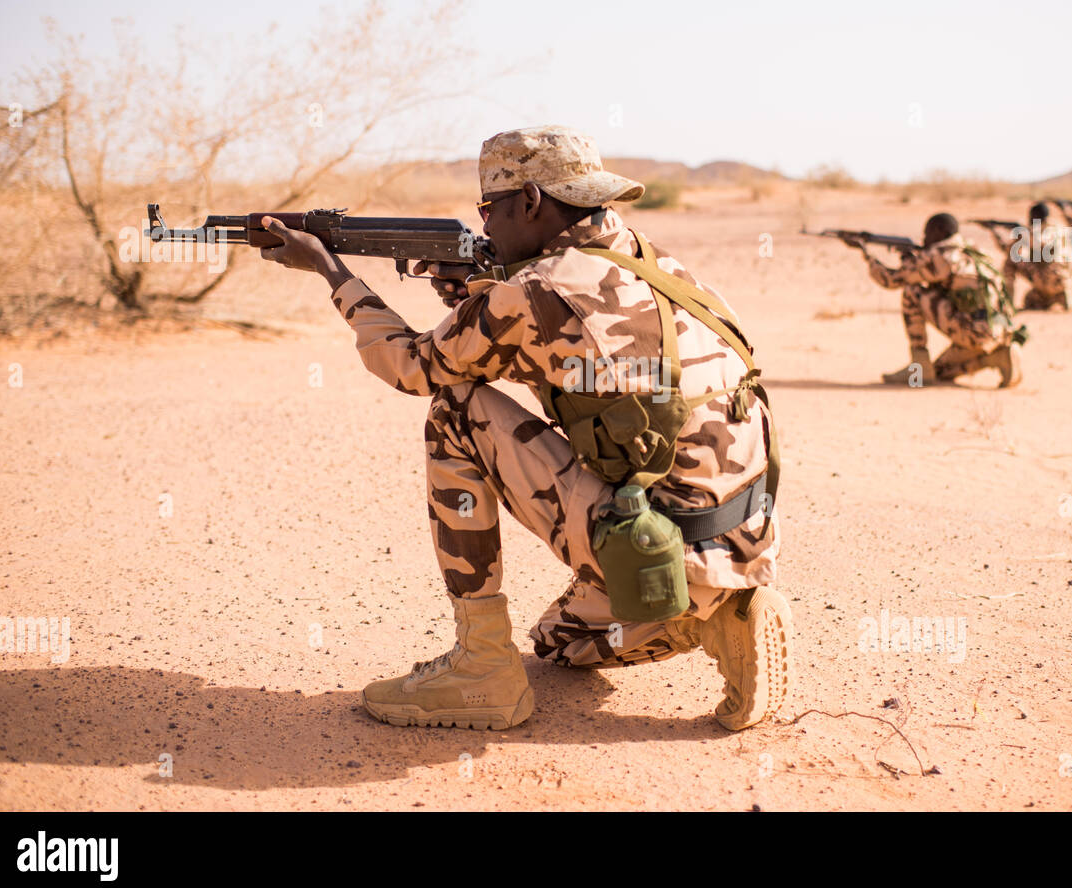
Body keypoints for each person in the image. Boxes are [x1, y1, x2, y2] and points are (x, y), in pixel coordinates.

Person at [256, 125, 790, 732]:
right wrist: (483, 299)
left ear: (532, 202)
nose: (485, 227)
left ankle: (481, 668)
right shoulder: (657, 263)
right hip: (739, 538)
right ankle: (722, 616)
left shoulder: (535, 292)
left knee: (453, 408)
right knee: (560, 644)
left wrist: (331, 273)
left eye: (490, 210)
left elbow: (410, 366)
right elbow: (589, 359)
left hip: (653, 537)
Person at [845, 212, 1023, 387]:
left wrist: (867, 254)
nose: (924, 238)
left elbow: (891, 280)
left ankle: (919, 364)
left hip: (974, 332)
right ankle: (996, 357)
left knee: (912, 292)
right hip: (998, 331)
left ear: (940, 232)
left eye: (928, 233)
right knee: (939, 372)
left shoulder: (939, 256)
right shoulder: (976, 251)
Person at [988, 202, 1072, 310]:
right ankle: (1055, 296)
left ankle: (1007, 303)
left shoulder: (1033, 232)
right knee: (1031, 299)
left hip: (1046, 279)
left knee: (1011, 261)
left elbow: (1009, 250)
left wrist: (998, 234)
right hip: (1064, 279)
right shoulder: (1059, 229)